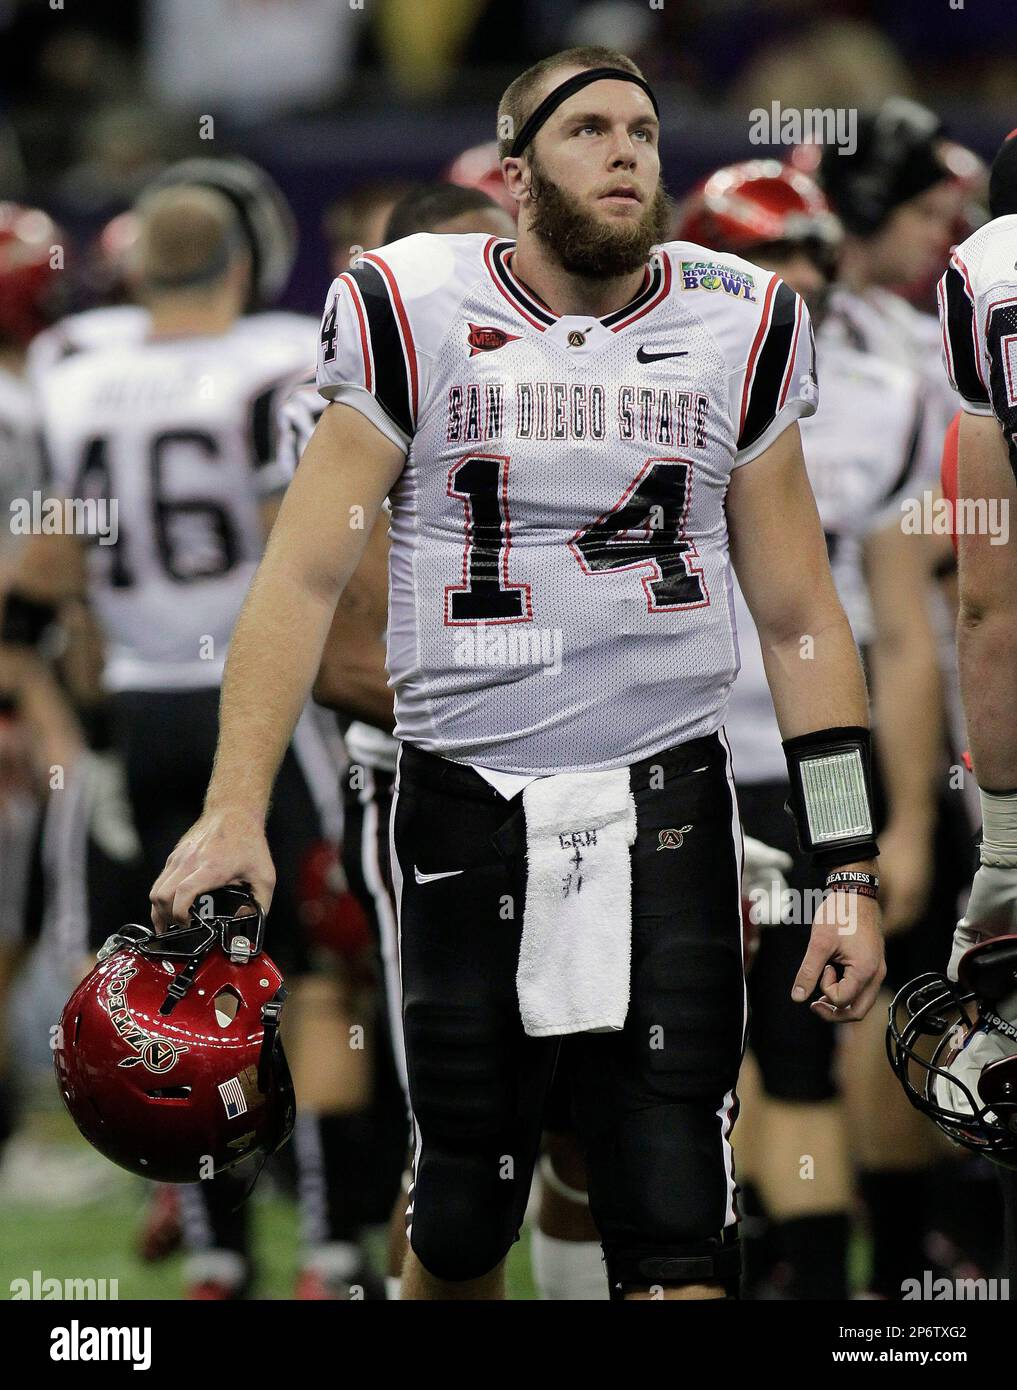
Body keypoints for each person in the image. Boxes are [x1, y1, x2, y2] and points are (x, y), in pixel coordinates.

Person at [151, 45, 884, 1302]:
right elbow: (302, 580)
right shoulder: (415, 301)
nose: (625, 152)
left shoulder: (737, 318)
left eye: (645, 131)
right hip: (464, 794)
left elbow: (802, 613)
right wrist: (232, 804)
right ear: (515, 167)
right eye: (589, 127)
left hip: (666, 794)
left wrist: (848, 858)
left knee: (671, 1200)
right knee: (462, 1201)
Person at [676, 158, 943, 1298]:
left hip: (795, 764)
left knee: (791, 1057)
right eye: (766, 262)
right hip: (677, 761)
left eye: (803, 261)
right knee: (694, 1063)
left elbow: (902, 638)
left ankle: (812, 1288)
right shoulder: (648, 381)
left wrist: (904, 827)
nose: (790, 284)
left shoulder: (875, 394)